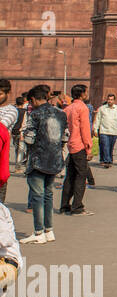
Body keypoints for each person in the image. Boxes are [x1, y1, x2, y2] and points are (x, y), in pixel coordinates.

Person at [19, 84, 67, 245]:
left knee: (37, 197)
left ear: (32, 99)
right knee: (48, 195)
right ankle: (49, 230)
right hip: (55, 159)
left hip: (38, 160)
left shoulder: (35, 114)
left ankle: (38, 231)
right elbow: (65, 137)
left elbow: (29, 139)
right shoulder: (61, 113)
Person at [57, 83, 93, 216]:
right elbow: (85, 129)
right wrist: (89, 148)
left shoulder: (69, 108)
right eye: (86, 92)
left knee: (70, 176)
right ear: (82, 94)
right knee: (80, 176)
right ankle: (77, 207)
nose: (87, 94)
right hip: (80, 145)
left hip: (71, 144)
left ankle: (64, 206)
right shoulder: (82, 108)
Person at [92, 92, 117, 168]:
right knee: (105, 146)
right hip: (104, 131)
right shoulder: (102, 108)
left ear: (114, 101)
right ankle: (107, 161)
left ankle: (108, 159)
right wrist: (96, 129)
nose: (110, 101)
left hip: (114, 131)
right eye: (108, 99)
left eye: (111, 100)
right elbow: (98, 119)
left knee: (110, 147)